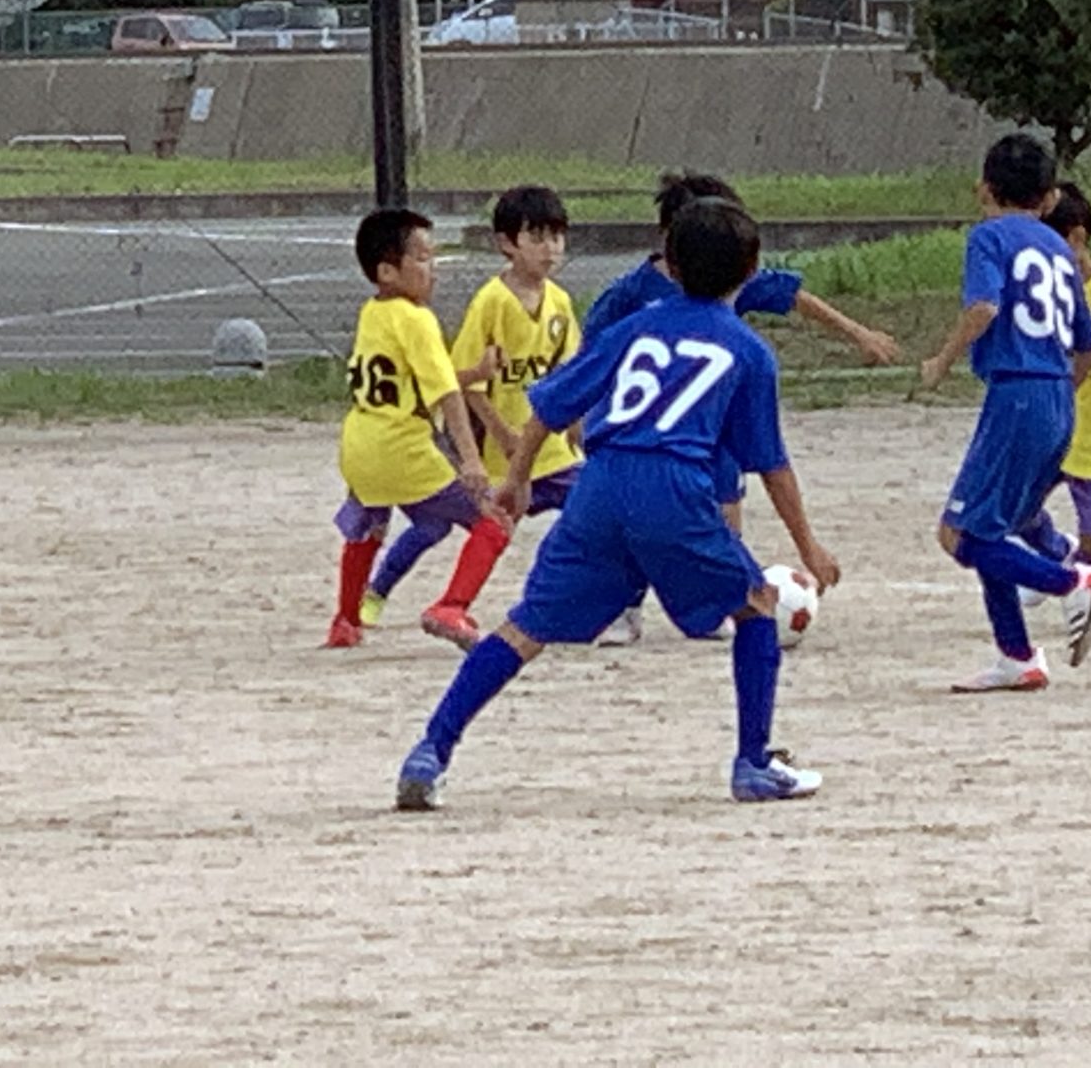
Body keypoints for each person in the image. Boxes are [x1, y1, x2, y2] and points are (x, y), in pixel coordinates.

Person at [394, 196, 842, 811]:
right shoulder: (747, 351)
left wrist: (517, 479)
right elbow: (771, 465)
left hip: (599, 484)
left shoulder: (638, 325)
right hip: (675, 490)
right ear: (752, 267)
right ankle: (753, 763)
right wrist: (808, 545)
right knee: (757, 603)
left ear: (672, 266)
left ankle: (430, 752)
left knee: (525, 627)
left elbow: (548, 408)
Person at [586, 170, 898, 647]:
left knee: (724, 516)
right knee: (641, 523)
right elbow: (590, 355)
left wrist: (859, 334)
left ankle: (717, 602)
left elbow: (795, 297)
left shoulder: (727, 276)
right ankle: (624, 606)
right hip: (653, 431)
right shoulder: (631, 296)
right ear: (672, 239)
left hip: (716, 424)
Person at [917, 134, 1091, 692]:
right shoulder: (1057, 249)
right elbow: (1088, 342)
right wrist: (1061, 390)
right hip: (1056, 396)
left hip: (1015, 395)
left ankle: (1070, 580)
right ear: (1049, 199)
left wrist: (942, 361)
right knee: (993, 527)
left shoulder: (989, 237)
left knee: (959, 535)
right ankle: (1016, 655)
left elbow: (983, 304)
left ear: (983, 188)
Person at [323, 208, 503, 650]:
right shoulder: (418, 318)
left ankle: (346, 620)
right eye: (422, 259)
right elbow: (444, 397)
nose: (433, 270)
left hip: (361, 447)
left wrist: (472, 371)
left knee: (371, 527)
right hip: (405, 449)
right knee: (494, 522)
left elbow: (416, 382)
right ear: (387, 271)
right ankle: (452, 606)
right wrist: (472, 460)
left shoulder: (373, 313)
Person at [419, 185, 582, 650]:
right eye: (537, 237)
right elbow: (464, 381)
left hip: (553, 449)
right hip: (507, 452)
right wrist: (503, 433)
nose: (550, 249)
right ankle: (451, 606)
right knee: (496, 526)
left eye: (557, 238)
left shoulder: (560, 303)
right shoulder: (491, 301)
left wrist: (575, 423)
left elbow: (567, 371)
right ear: (507, 244)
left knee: (594, 513)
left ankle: (588, 607)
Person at [1018, 181, 1091, 659]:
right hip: (1051, 418)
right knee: (1016, 508)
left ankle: (1081, 594)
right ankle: (1055, 558)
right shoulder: (1041, 285)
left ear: (1078, 238)